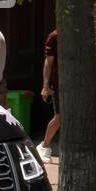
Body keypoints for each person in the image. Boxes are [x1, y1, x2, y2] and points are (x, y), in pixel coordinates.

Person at [38, 29, 59, 162]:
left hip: (77, 85)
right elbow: (48, 63)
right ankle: (44, 146)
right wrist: (46, 86)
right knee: (60, 117)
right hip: (59, 84)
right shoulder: (54, 36)